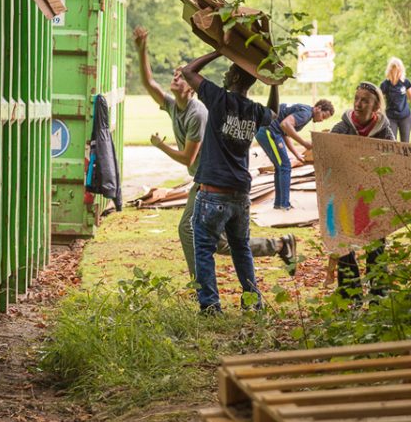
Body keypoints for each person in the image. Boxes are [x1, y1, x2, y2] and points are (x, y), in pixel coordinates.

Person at [133, 29, 295, 282]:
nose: (177, 75)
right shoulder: (175, 105)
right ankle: (278, 246)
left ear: (193, 89)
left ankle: (201, 287)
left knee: (193, 232)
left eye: (180, 75)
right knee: (228, 243)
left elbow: (188, 158)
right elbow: (149, 83)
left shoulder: (201, 112)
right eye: (175, 74)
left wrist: (221, 49)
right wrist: (142, 49)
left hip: (210, 182)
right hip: (217, 182)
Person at [178, 50, 279, 314]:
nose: (224, 73)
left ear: (234, 75)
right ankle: (253, 302)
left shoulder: (218, 99)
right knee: (241, 249)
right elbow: (274, 113)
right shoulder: (254, 110)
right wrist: (274, 85)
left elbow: (188, 71)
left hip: (213, 193)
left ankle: (210, 306)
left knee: (203, 250)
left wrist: (219, 50)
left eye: (228, 69)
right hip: (240, 195)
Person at [328, 81, 394, 302]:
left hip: (374, 200)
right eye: (356, 98)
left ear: (375, 107)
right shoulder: (340, 129)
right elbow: (328, 164)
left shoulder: (385, 133)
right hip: (346, 199)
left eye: (364, 100)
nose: (358, 104)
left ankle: (379, 295)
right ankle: (350, 296)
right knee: (346, 247)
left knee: (376, 248)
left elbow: (392, 166)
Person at [256, 98, 334, 209]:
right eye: (323, 116)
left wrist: (297, 154)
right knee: (285, 166)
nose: (322, 120)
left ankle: (279, 204)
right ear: (318, 108)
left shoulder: (305, 110)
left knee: (281, 166)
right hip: (268, 131)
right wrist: (304, 143)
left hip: (267, 130)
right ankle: (284, 204)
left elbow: (286, 133)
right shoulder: (306, 114)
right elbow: (285, 124)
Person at [380, 58, 411, 143]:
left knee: (405, 143)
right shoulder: (385, 85)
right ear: (390, 70)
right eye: (393, 70)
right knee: (391, 142)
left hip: (405, 117)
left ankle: (405, 157)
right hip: (391, 117)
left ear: (401, 70)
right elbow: (379, 101)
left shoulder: (405, 82)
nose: (396, 73)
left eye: (398, 70)